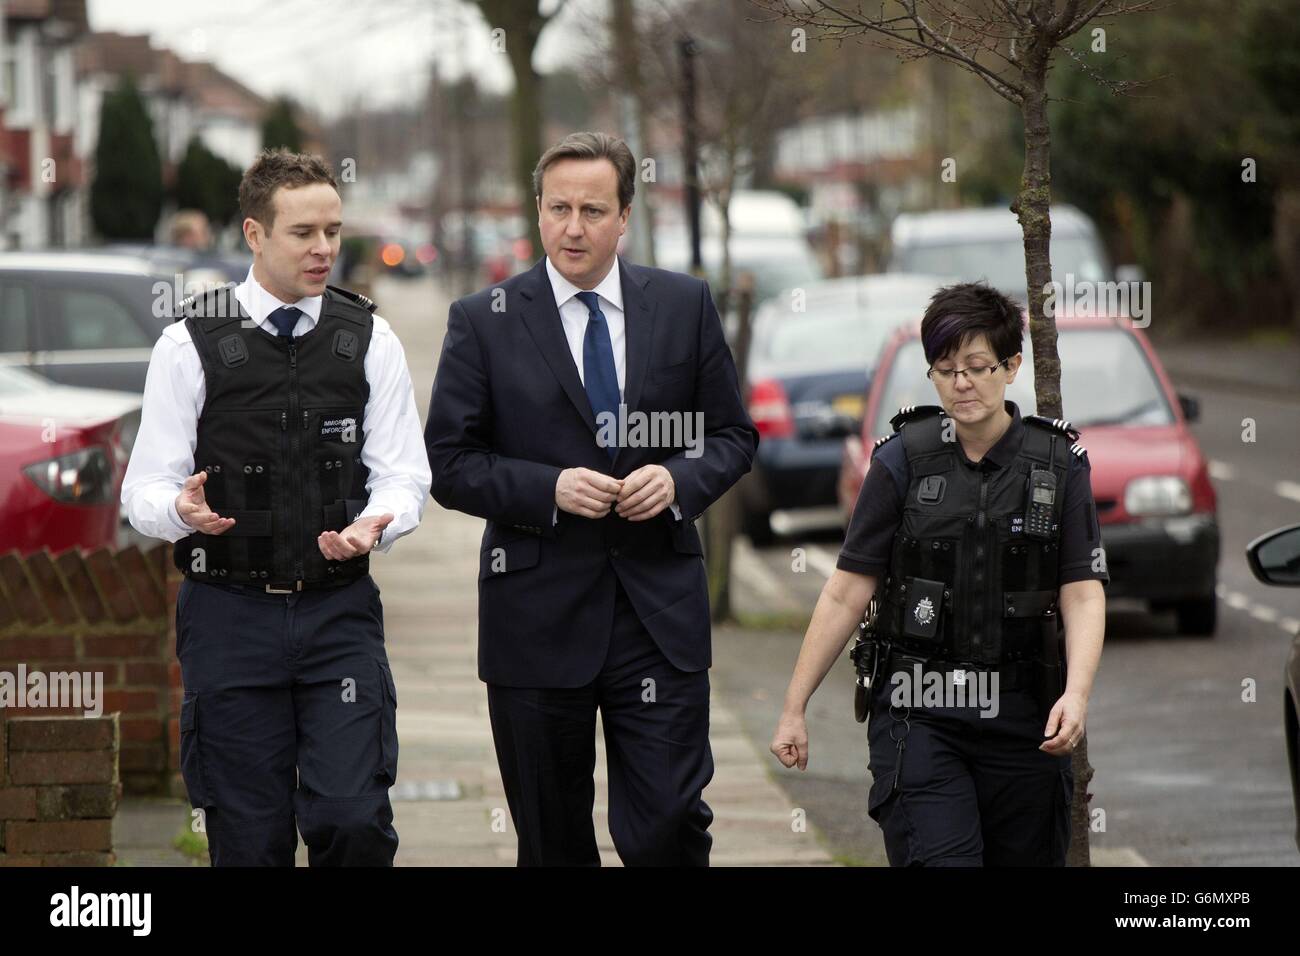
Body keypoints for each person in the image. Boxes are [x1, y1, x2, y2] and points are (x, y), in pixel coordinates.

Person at [424, 131, 758, 866]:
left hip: (657, 614)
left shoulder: (683, 306)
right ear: (538, 213)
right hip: (536, 618)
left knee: (670, 825)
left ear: (625, 216)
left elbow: (732, 436)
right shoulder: (484, 320)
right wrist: (547, 488)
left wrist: (677, 480)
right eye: (559, 208)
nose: (573, 227)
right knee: (552, 841)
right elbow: (449, 463)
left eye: (593, 210)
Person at [121, 148, 432, 866]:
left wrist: (375, 524)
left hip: (338, 616)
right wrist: (180, 509)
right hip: (230, 618)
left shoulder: (368, 339)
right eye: (304, 233)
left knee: (354, 820)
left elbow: (403, 475)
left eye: (333, 230)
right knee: (248, 840)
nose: (324, 248)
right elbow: (142, 491)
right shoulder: (189, 344)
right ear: (255, 235)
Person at [770, 282, 1108, 866]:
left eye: (977, 367)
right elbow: (848, 590)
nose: (961, 383)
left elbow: (1080, 593)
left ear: (1013, 366)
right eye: (945, 369)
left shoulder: (1057, 467)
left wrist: (1076, 697)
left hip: (1024, 718)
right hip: (919, 714)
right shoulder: (901, 459)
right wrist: (795, 706)